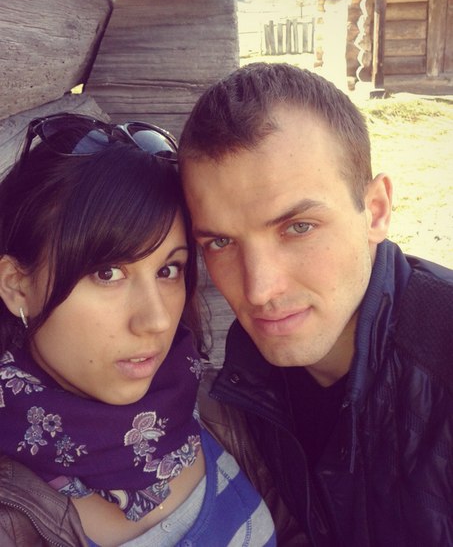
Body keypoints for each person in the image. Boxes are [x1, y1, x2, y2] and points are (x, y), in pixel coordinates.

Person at [178, 63, 453, 547]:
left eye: (298, 227)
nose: (260, 290)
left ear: (376, 211)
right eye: (221, 242)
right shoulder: (242, 386)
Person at [0, 113, 276, 547]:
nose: (157, 320)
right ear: (18, 286)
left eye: (168, 269)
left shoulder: (213, 406)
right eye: (107, 273)